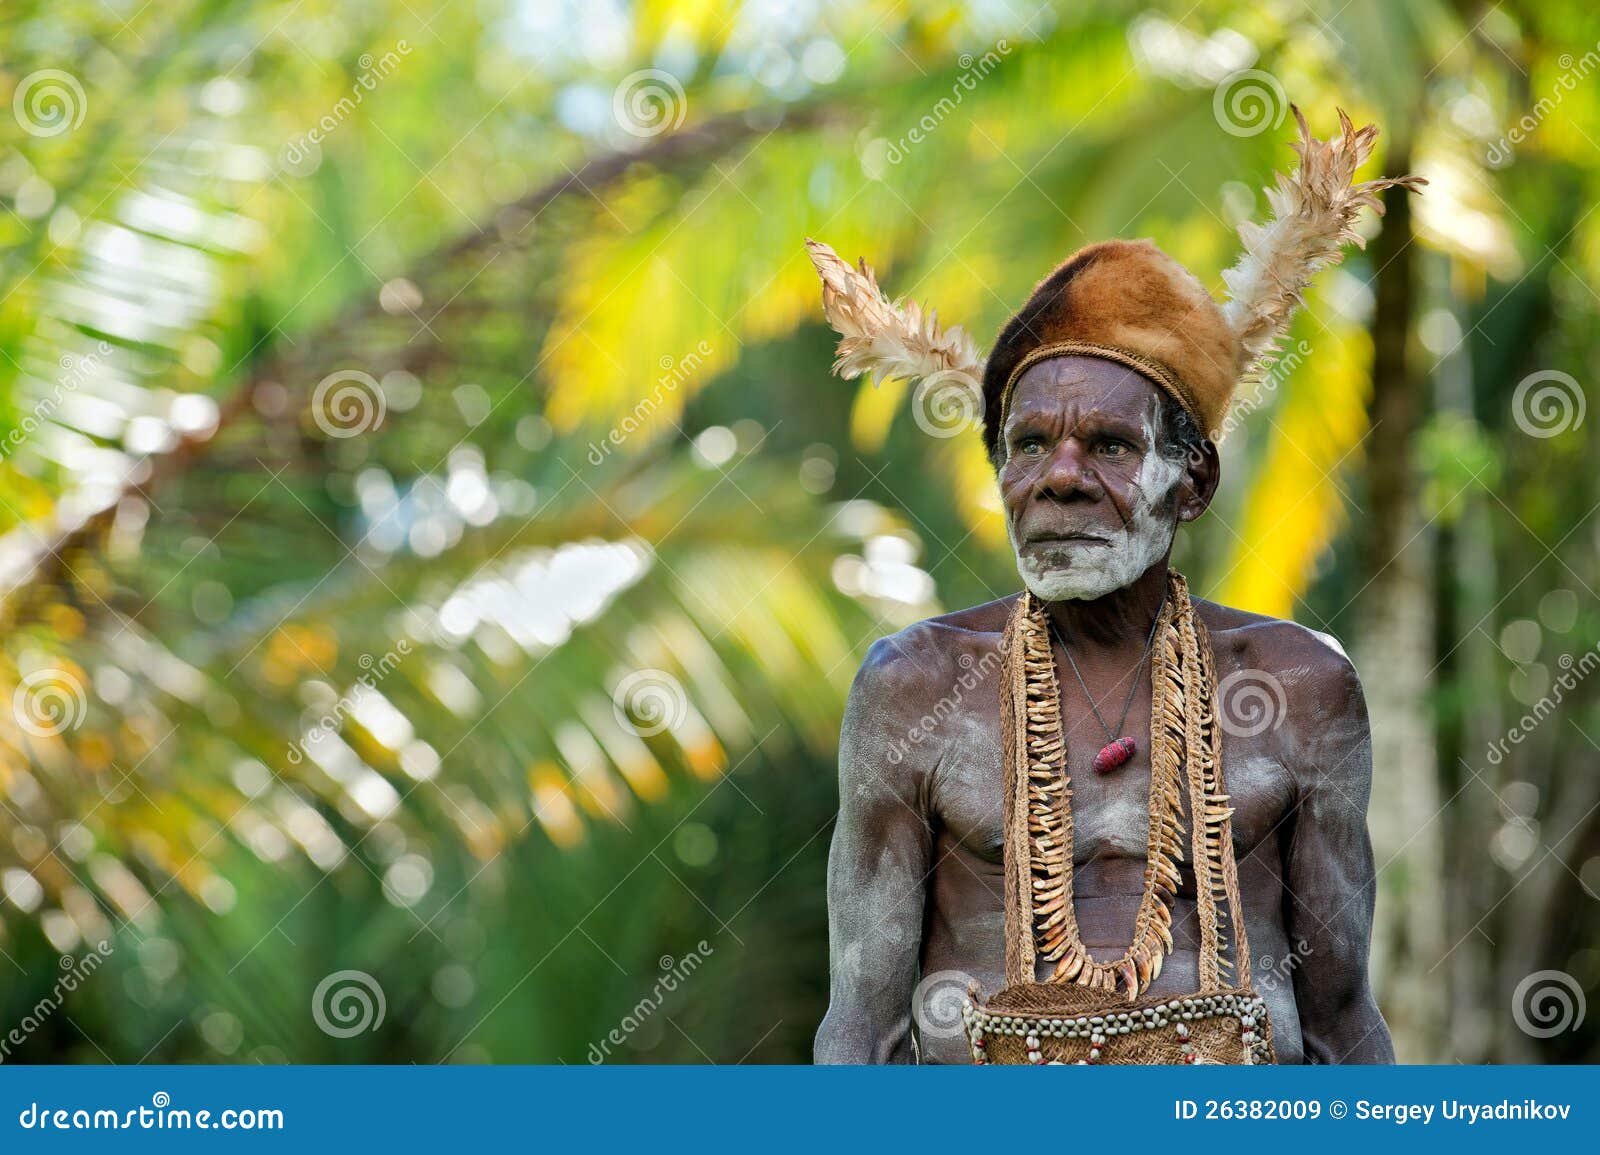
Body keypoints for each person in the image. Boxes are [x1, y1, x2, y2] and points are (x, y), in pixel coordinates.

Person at [807, 109, 1423, 1064]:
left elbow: (1342, 1018)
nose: (1058, 475)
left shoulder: (1301, 688)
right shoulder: (916, 687)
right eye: (1027, 445)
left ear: (1195, 482)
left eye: (1108, 444)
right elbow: (864, 1026)